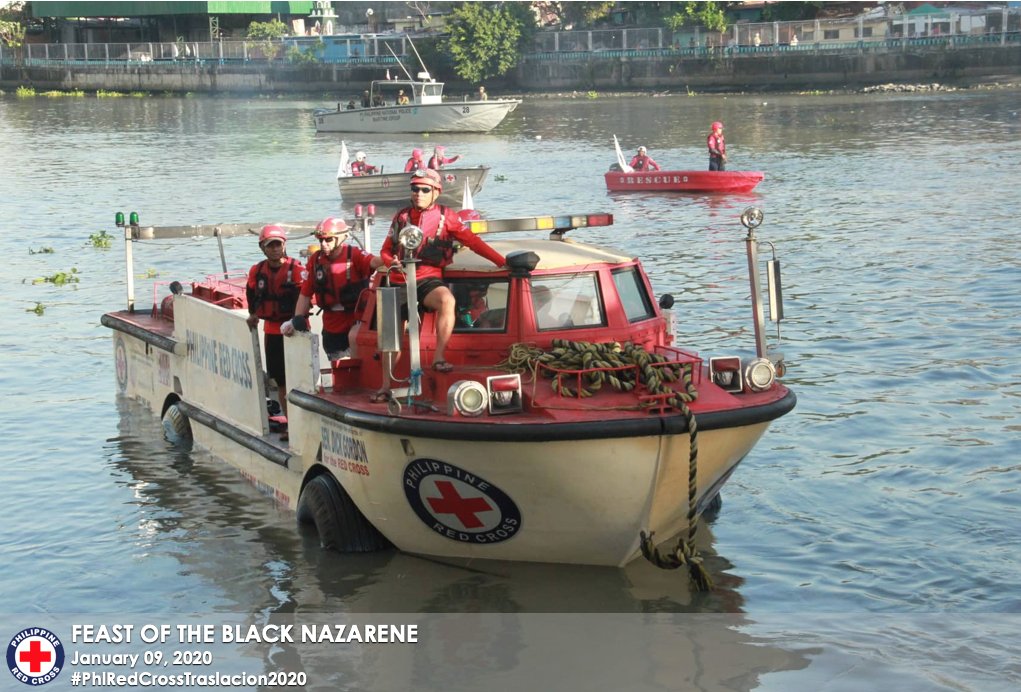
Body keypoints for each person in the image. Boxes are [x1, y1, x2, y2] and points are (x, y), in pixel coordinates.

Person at [380, 169, 505, 372]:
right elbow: (385, 249)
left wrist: (501, 262)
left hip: (427, 278)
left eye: (424, 189)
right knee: (391, 338)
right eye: (415, 188)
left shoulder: (447, 217)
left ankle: (438, 357)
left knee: (447, 300)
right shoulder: (401, 217)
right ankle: (385, 386)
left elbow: (473, 242)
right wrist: (390, 261)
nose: (418, 193)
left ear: (436, 192)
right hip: (399, 279)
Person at [283, 217, 383, 362]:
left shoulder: (354, 255)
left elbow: (374, 262)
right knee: (339, 368)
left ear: (343, 237)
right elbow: (305, 295)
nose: (323, 244)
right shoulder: (315, 261)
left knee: (361, 366)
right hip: (332, 327)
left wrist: (391, 258)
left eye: (328, 240)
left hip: (357, 322)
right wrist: (296, 319)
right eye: (321, 240)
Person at [245, 225, 305, 430]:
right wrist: (252, 315)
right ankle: (291, 425)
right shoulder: (257, 271)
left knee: (301, 379)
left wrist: (296, 322)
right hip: (272, 332)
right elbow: (251, 295)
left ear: (284, 245)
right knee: (281, 382)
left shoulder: (297, 269)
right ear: (262, 247)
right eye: (270, 245)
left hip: (296, 332)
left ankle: (303, 424)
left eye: (278, 244)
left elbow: (305, 297)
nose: (275, 249)